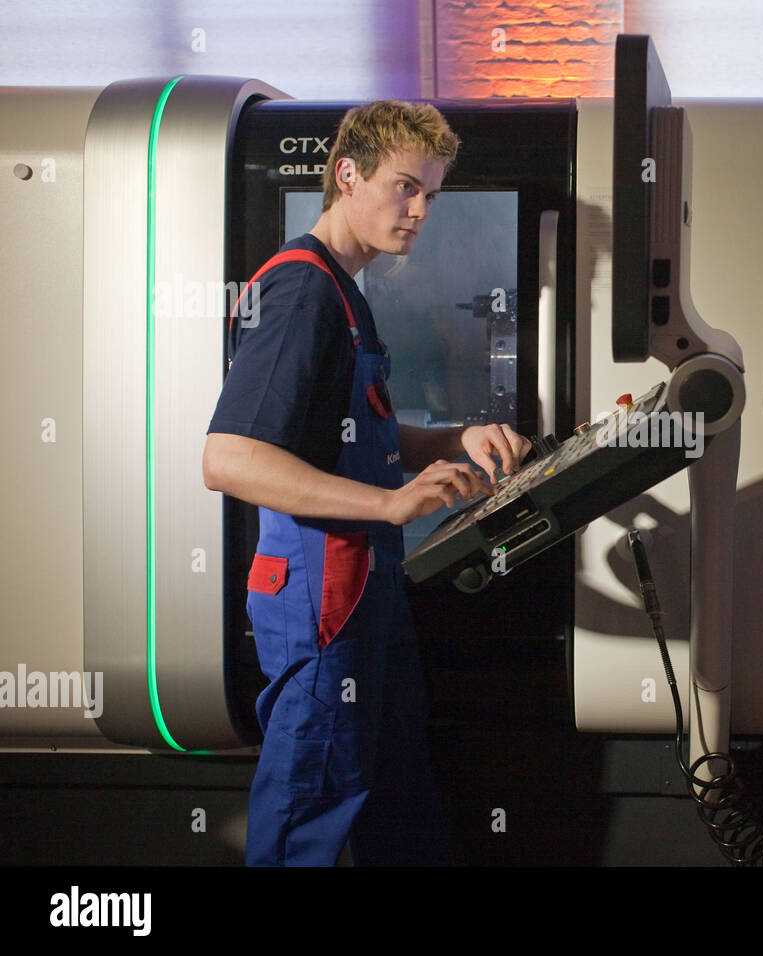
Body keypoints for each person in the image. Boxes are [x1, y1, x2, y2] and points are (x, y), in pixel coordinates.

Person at [203, 100, 530, 866]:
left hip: (362, 596)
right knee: (306, 823)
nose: (418, 212)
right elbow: (231, 459)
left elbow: (352, 436)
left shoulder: (346, 291)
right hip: (322, 601)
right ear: (346, 176)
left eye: (431, 196)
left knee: (398, 809)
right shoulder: (301, 293)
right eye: (404, 187)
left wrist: (454, 440)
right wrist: (389, 503)